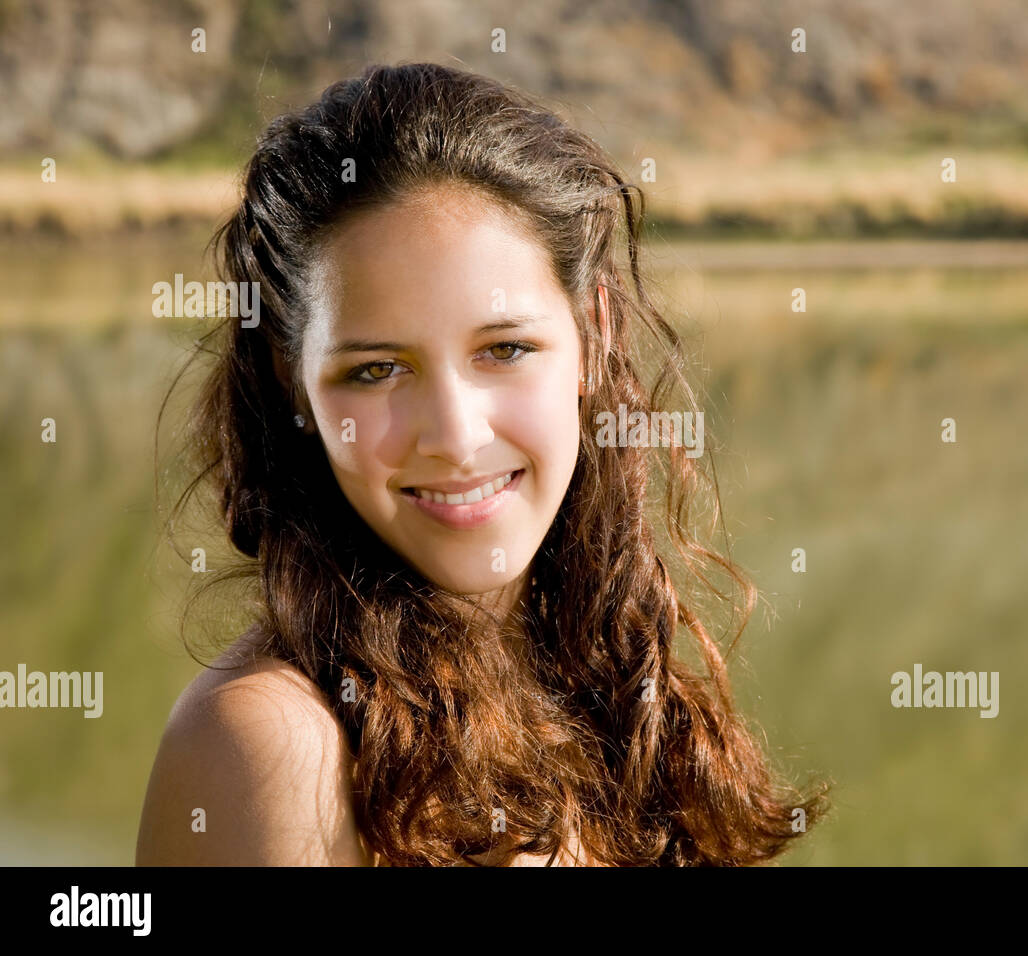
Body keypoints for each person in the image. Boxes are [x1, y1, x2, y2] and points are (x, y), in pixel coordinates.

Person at [135, 62, 829, 866]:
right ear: (293, 382)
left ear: (592, 334)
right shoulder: (270, 743)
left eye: (505, 349)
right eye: (375, 370)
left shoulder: (604, 684)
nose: (457, 438)